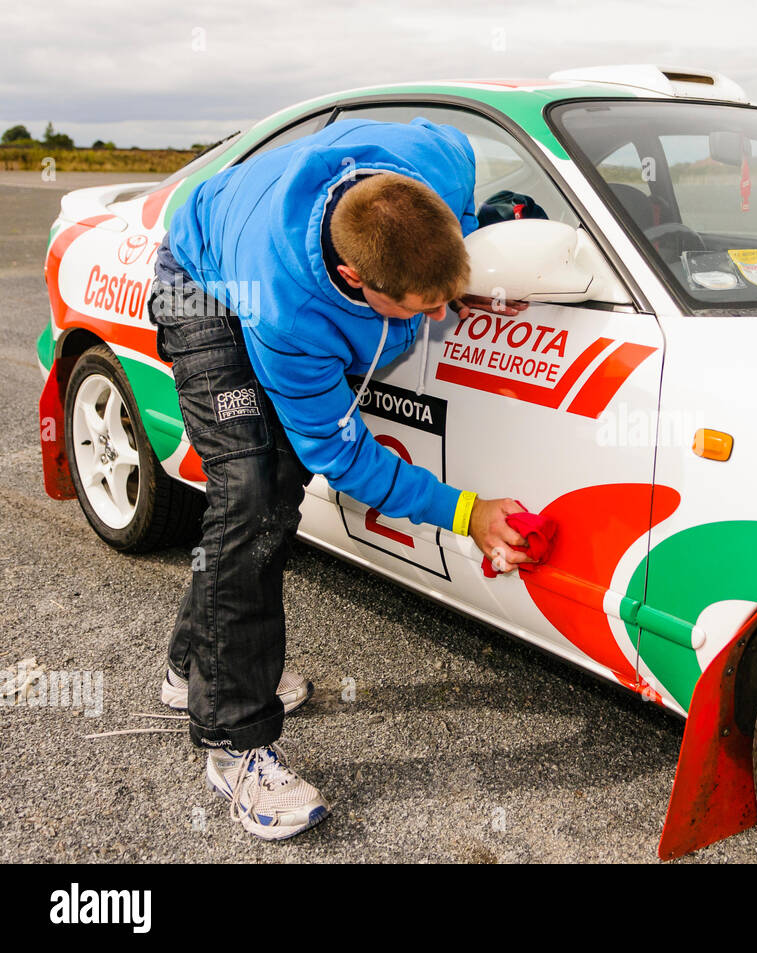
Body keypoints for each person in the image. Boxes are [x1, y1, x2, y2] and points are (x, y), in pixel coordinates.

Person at [147, 117, 534, 841]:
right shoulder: (289, 310)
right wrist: (468, 512)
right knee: (255, 494)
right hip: (202, 281)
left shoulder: (438, 160)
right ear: (357, 279)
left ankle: (192, 667)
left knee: (267, 489)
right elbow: (344, 457)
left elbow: (437, 160)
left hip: (279, 230)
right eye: (424, 308)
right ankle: (235, 744)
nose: (444, 315)